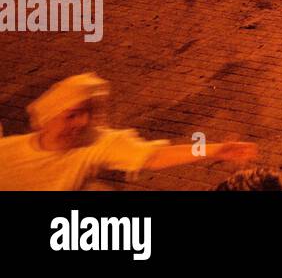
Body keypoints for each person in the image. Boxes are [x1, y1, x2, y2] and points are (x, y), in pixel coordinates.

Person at [0, 73, 256, 190]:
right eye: (72, 115)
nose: (82, 122)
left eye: (88, 114)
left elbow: (153, 156)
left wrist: (214, 150)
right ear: (46, 120)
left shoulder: (96, 144)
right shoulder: (7, 152)